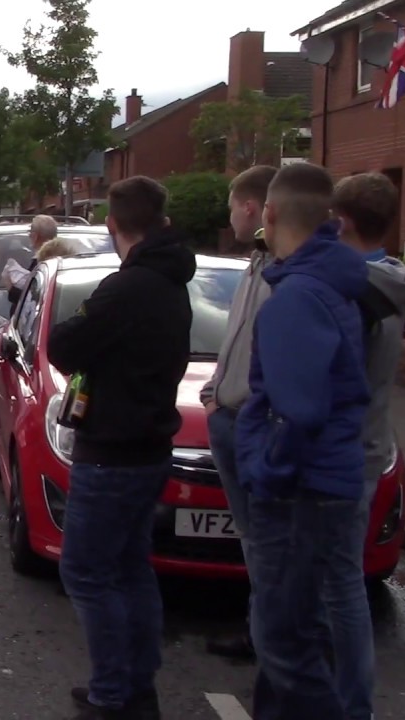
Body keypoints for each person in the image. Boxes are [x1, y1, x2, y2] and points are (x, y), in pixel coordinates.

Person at [45, 176, 195, 719]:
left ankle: (112, 692)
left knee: (86, 571)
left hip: (112, 449)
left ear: (113, 225)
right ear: (162, 221)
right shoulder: (173, 281)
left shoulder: (126, 288)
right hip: (150, 445)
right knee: (131, 568)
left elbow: (64, 344)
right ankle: (137, 683)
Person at [235, 162, 370, 720]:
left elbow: (298, 411)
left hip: (299, 492)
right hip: (323, 484)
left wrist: (264, 469)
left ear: (268, 213)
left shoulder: (295, 298)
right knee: (294, 633)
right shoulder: (328, 284)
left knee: (283, 645)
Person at [322, 173, 405, 720]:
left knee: (337, 586)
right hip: (365, 447)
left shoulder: (355, 292)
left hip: (340, 455)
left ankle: (347, 705)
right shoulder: (388, 282)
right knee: (338, 582)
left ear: (341, 221)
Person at [200, 164, 279, 662]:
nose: (229, 218)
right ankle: (259, 629)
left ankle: (271, 643)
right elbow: (237, 338)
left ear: (251, 208)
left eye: (232, 207)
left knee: (266, 541)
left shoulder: (283, 273)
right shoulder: (254, 263)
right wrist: (213, 392)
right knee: (252, 540)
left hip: (253, 423)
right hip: (227, 416)